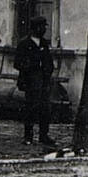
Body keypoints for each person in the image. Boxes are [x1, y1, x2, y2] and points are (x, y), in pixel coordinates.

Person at [15, 16, 55, 146]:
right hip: (31, 82)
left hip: (43, 82)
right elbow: (17, 63)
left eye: (44, 27)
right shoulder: (24, 44)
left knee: (45, 109)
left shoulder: (44, 43)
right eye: (41, 27)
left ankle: (44, 135)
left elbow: (49, 62)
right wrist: (30, 68)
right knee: (31, 109)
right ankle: (28, 136)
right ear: (34, 28)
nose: (43, 29)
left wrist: (48, 72)